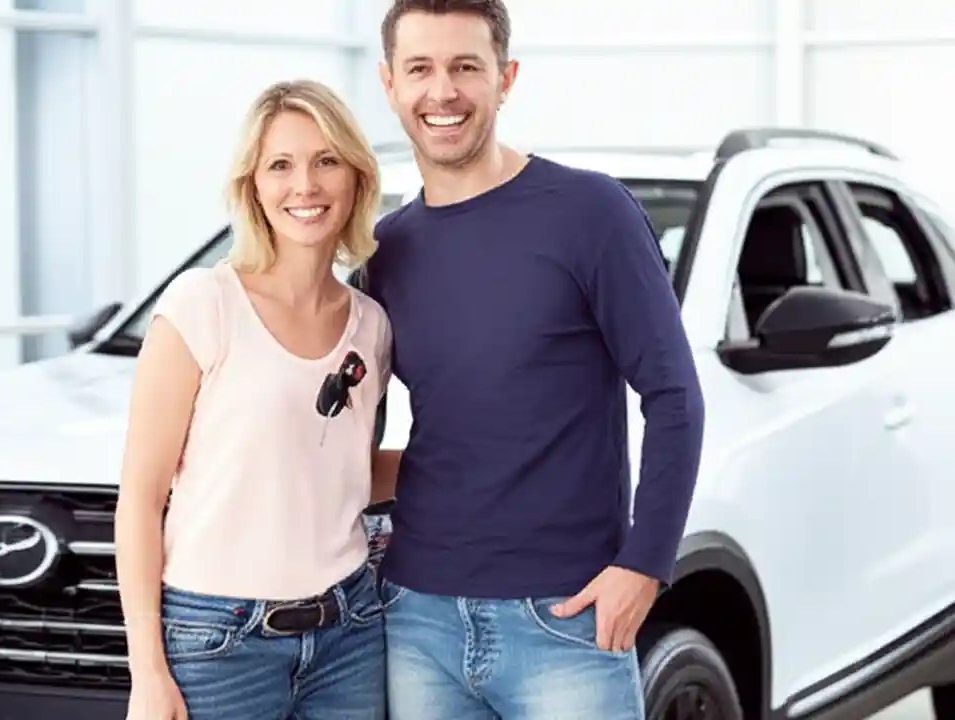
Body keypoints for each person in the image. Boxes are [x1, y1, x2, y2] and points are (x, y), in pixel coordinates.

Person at [360, 1, 707, 718]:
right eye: (420, 68)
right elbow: (363, 434)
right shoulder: (387, 251)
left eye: (466, 67)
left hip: (565, 617)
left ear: (505, 77)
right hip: (417, 617)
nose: (442, 91)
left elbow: (673, 395)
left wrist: (644, 564)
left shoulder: (590, 213)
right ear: (390, 83)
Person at [114, 78, 394, 720]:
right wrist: (147, 673)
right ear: (253, 186)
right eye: (281, 165)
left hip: (349, 632)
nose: (306, 186)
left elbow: (334, 472)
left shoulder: (372, 326)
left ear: (355, 177)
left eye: (326, 161)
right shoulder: (201, 304)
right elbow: (141, 498)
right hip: (217, 642)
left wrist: (470, 457)